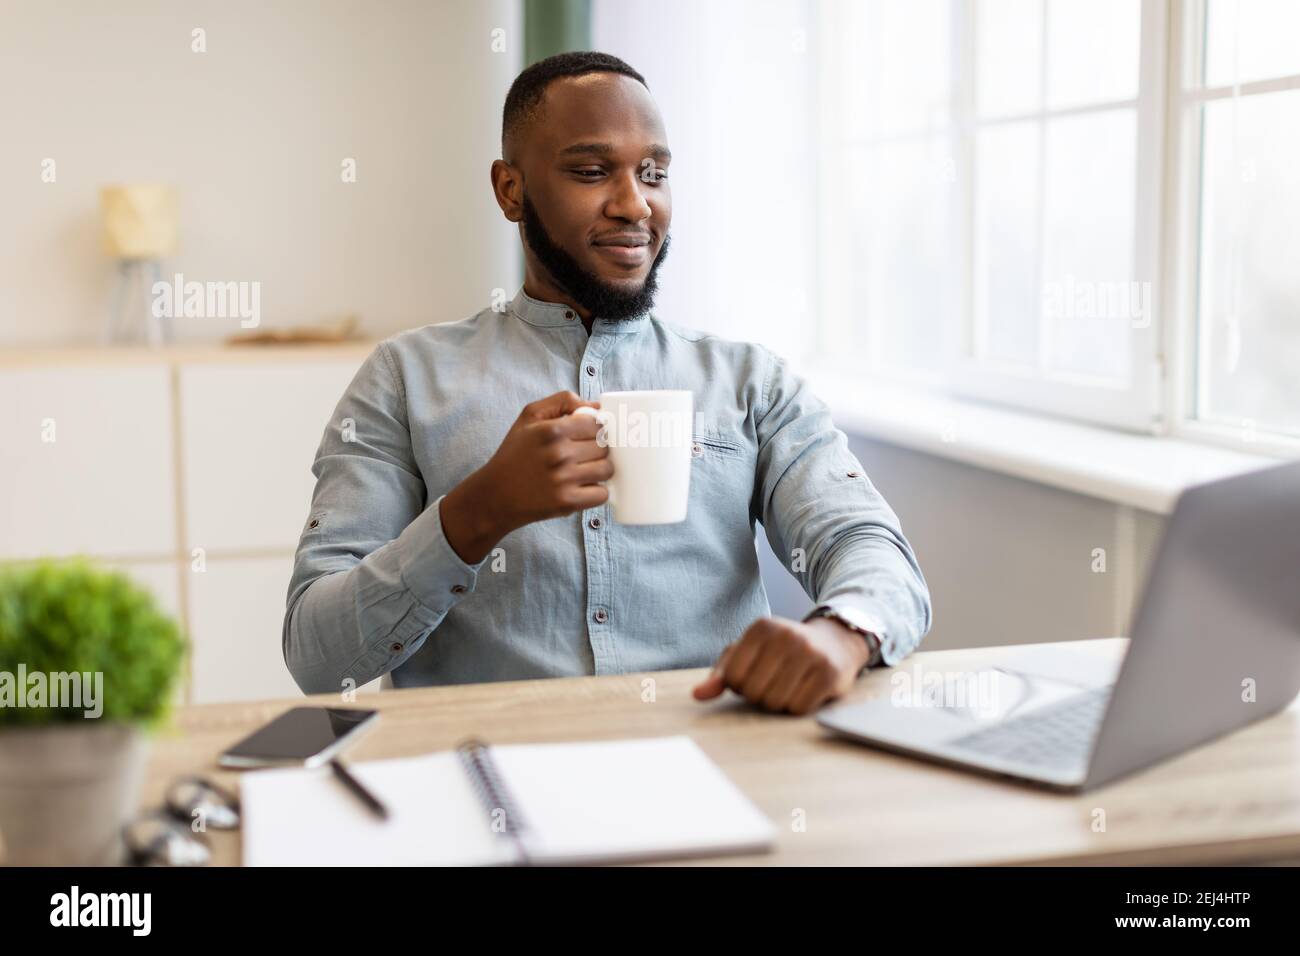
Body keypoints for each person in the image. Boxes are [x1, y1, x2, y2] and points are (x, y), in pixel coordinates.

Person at [283, 51, 930, 715]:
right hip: (487, 760)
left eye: (653, 174)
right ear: (510, 190)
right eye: (592, 172)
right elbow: (316, 656)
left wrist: (842, 633)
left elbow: (867, 546)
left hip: (712, 750)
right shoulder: (404, 378)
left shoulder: (752, 383)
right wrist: (479, 511)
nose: (634, 204)